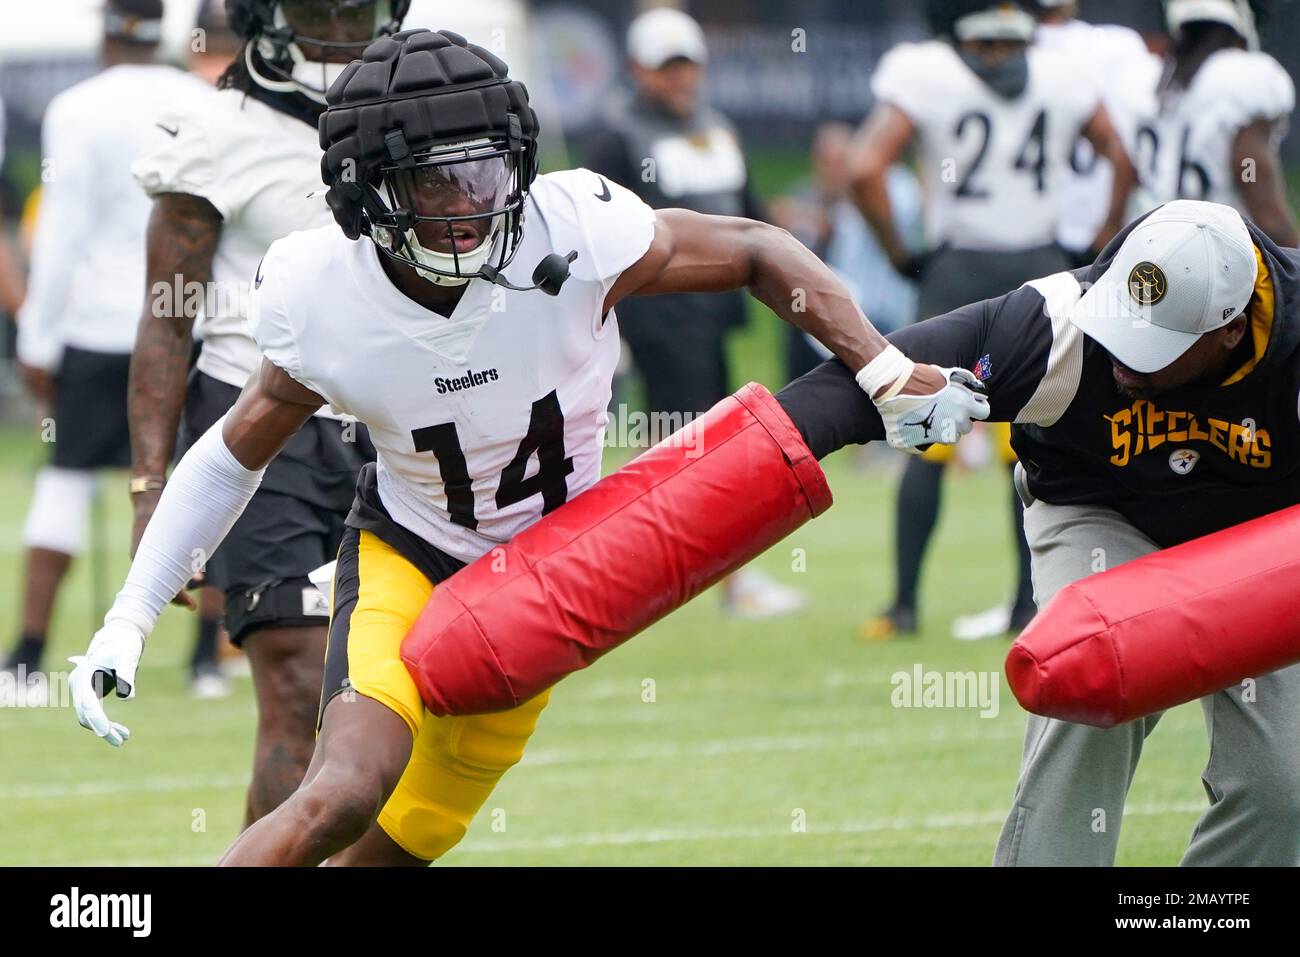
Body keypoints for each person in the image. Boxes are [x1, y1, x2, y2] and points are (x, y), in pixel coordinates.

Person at [67, 28, 989, 866]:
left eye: (489, 172)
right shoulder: (325, 296)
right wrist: (129, 617)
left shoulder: (571, 230)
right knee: (344, 790)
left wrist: (880, 368)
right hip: (409, 555)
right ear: (368, 189)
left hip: (548, 578)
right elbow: (235, 452)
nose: (474, 202)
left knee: (397, 850)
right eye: (439, 180)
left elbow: (755, 246)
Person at [777, 198, 1300, 865]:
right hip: (1105, 514)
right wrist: (751, 456)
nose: (1123, 357)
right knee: (1087, 701)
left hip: (1262, 542)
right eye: (1121, 323)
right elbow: (864, 382)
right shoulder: (1057, 323)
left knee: (1281, 783)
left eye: (1155, 344)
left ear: (1229, 332)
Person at [125, 0, 408, 824]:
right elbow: (166, 316)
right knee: (295, 684)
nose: (339, 21)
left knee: (399, 701)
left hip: (398, 425)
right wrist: (152, 489)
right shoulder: (214, 128)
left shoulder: (423, 104)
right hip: (259, 426)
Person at [851, 0, 1137, 640]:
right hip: (1038, 272)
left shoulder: (926, 71)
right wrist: (1090, 245)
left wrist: (903, 255)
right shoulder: (1062, 73)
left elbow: (865, 167)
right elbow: (1121, 157)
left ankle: (903, 605)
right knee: (1033, 439)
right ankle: (1026, 606)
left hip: (957, 271)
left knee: (926, 431)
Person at [583, 7, 800, 618]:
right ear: (637, 71)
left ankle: (670, 575)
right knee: (687, 448)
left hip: (713, 320)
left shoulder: (718, 129)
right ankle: (713, 580)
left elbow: (751, 217)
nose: (679, 79)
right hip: (658, 320)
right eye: (665, 68)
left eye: (686, 66)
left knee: (689, 446)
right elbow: (598, 235)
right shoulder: (615, 135)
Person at [0, 1, 184, 704]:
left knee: (66, 481)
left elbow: (64, 234)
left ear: (106, 31)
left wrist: (37, 341)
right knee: (208, 479)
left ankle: (25, 657)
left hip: (96, 330)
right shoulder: (193, 99)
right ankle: (208, 656)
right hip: (177, 325)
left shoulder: (76, 108)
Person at [770, 122, 922, 381]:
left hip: (883, 316)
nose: (833, 168)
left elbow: (878, 216)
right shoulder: (815, 194)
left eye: (841, 160)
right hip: (831, 317)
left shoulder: (897, 187)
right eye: (826, 161)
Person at [1143, 0, 1299, 247]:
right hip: (1221, 257)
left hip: (1155, 247)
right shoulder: (1244, 76)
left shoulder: (1161, 77)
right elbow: (1249, 169)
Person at [1032, 0, 1162, 265]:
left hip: (1027, 239)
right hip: (1108, 230)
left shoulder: (1003, 49)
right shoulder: (1117, 45)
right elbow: (1134, 145)